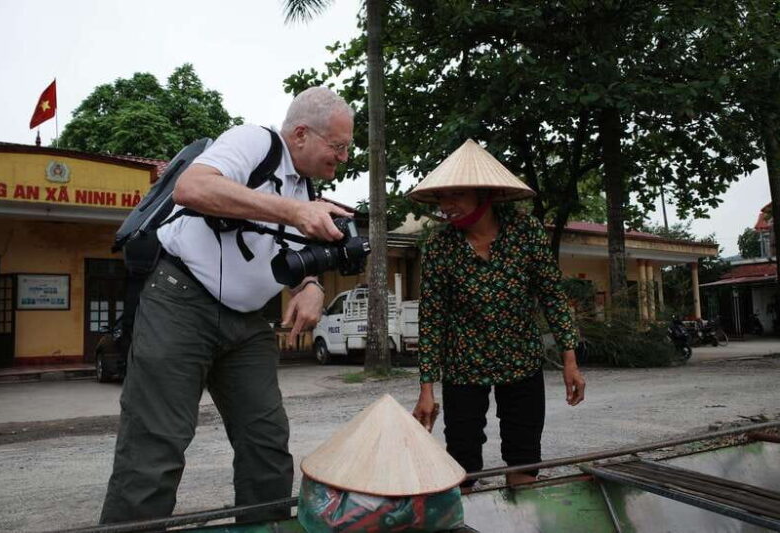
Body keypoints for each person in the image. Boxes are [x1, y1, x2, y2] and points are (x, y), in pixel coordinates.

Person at [100, 87, 355, 524]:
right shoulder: (252, 142)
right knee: (155, 448)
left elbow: (281, 251)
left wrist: (309, 284)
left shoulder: (303, 186)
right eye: (339, 146)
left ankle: (267, 526)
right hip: (180, 303)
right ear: (300, 134)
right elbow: (192, 188)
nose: (344, 158)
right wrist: (294, 212)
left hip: (248, 322)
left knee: (267, 444)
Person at [410, 139, 586, 488]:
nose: (447, 206)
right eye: (442, 198)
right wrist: (426, 388)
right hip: (464, 365)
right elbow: (432, 319)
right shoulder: (440, 247)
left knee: (524, 453)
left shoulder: (526, 232)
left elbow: (551, 293)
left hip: (521, 359)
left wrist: (570, 359)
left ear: (483, 194)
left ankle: (522, 516)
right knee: (461, 456)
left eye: (456, 195)